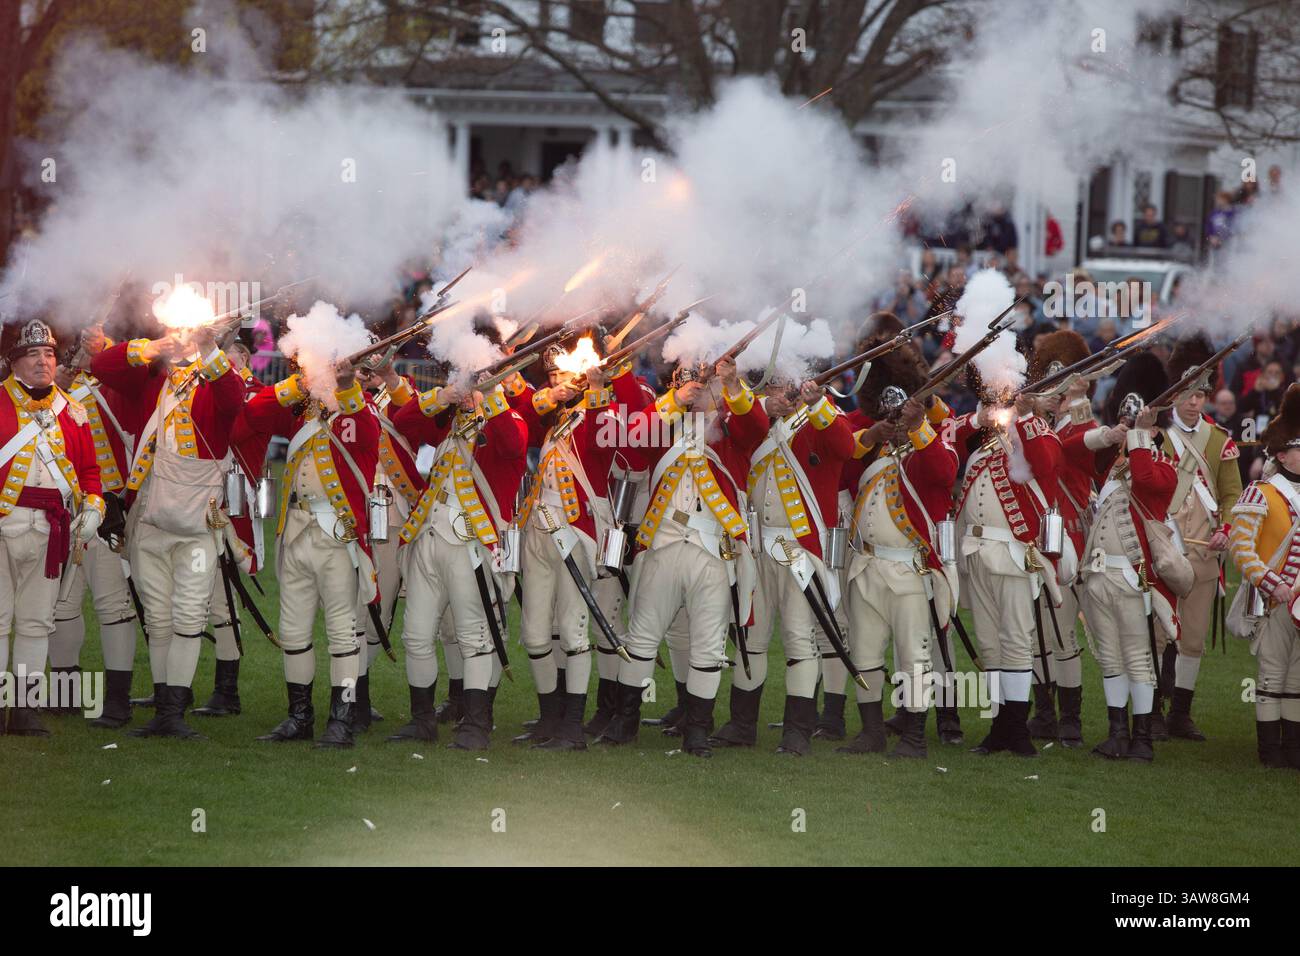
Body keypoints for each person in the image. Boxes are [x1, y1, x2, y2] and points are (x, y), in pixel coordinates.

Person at [596, 356, 769, 758]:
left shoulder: (731, 431)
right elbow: (631, 440)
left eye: (703, 387)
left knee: (708, 645)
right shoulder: (664, 425)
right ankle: (626, 720)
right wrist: (672, 401)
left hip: (714, 550)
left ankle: (697, 729)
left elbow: (756, 426)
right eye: (689, 385)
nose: (697, 394)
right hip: (663, 544)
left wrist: (732, 385)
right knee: (641, 636)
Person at [87, 322, 244, 739]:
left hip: (195, 526)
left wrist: (210, 348)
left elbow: (232, 396)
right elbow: (102, 364)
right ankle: (163, 709)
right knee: (158, 619)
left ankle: (175, 710)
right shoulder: (152, 378)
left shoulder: (216, 383)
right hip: (150, 520)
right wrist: (154, 345)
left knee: (189, 617)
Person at [509, 342, 645, 749]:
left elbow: (615, 434)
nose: (556, 382)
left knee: (573, 630)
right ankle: (550, 719)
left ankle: (571, 725)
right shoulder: (556, 419)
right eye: (550, 377)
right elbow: (521, 416)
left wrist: (602, 387)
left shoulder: (595, 418)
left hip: (576, 534)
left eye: (563, 376)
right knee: (535, 633)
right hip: (538, 530)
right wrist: (545, 392)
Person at [708, 375, 852, 756]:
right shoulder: (757, 424)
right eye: (771, 387)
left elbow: (845, 445)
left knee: (799, 638)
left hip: (798, 548)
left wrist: (817, 404)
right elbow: (733, 428)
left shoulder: (820, 418)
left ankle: (798, 731)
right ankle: (741, 724)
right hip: (756, 546)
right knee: (750, 638)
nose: (777, 394)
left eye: (784, 387)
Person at [242, 359, 380, 749]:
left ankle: (343, 719)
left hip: (338, 538)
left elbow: (365, 435)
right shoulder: (304, 410)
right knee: (293, 632)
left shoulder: (358, 409)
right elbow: (255, 413)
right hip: (298, 532)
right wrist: (297, 383)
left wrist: (349, 384)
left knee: (342, 635)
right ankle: (299, 716)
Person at [386, 376, 526, 749]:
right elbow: (403, 422)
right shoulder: (448, 425)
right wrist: (444, 396)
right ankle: (422, 720)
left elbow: (512, 447)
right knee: (415, 635)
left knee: (475, 638)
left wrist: (491, 394)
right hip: (427, 539)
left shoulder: (506, 421)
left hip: (472, 546)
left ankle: (476, 725)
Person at [839, 344, 958, 757]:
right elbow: (843, 466)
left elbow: (944, 473)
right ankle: (871, 732)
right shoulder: (876, 446)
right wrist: (873, 435)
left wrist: (920, 427)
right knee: (866, 651)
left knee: (914, 655)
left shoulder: (932, 442)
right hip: (866, 563)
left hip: (909, 569)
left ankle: (913, 737)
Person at [0, 320, 104, 735]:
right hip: (4, 522)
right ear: (14, 363)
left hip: (50, 529)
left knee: (36, 620)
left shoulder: (72, 410)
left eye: (48, 354)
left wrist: (93, 507)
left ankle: (24, 709)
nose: (43, 362)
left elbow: (90, 471)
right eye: (32, 355)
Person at [952, 377, 1063, 756]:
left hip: (1014, 553)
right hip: (977, 552)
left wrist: (1029, 415)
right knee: (989, 642)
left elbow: (1047, 465)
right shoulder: (982, 452)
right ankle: (999, 724)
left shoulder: (1037, 437)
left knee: (1016, 640)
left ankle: (1017, 726)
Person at [1077, 372, 1181, 761]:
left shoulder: (1164, 469)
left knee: (1139, 657)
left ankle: (1143, 738)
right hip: (1101, 574)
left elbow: (1143, 476)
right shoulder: (1114, 467)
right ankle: (1117, 733)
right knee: (1110, 655)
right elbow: (1077, 451)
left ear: (1155, 432)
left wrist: (1140, 434)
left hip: (1133, 577)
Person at [1155, 336, 1242, 741]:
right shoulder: (1156, 434)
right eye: (1189, 394)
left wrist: (1225, 529)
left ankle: (1180, 713)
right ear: (1175, 393)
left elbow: (1230, 496)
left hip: (1203, 551)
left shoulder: (1220, 439)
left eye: (1201, 394)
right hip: (1163, 546)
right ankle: (1151, 709)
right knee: (1157, 632)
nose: (1195, 402)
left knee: (1192, 637)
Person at [50, 346, 137, 726]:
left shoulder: (117, 382)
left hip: (109, 509)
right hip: (59, 510)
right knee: (60, 606)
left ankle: (118, 701)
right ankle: (65, 693)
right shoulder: (47, 394)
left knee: (114, 605)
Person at [1025, 331, 1095, 747]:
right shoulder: (1035, 423)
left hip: (1066, 538)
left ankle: (1070, 717)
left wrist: (1081, 400)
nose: (1057, 395)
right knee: (1035, 633)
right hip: (1032, 535)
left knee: (1063, 632)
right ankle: (1043, 712)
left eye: (1061, 387)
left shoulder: (1080, 421)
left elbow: (1084, 445)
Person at [1228, 383, 1300, 769]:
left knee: (1298, 678)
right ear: (1284, 454)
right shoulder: (1261, 492)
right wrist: (1274, 584)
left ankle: (1293, 750)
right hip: (1275, 601)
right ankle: (1269, 752)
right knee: (1272, 674)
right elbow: (1242, 551)